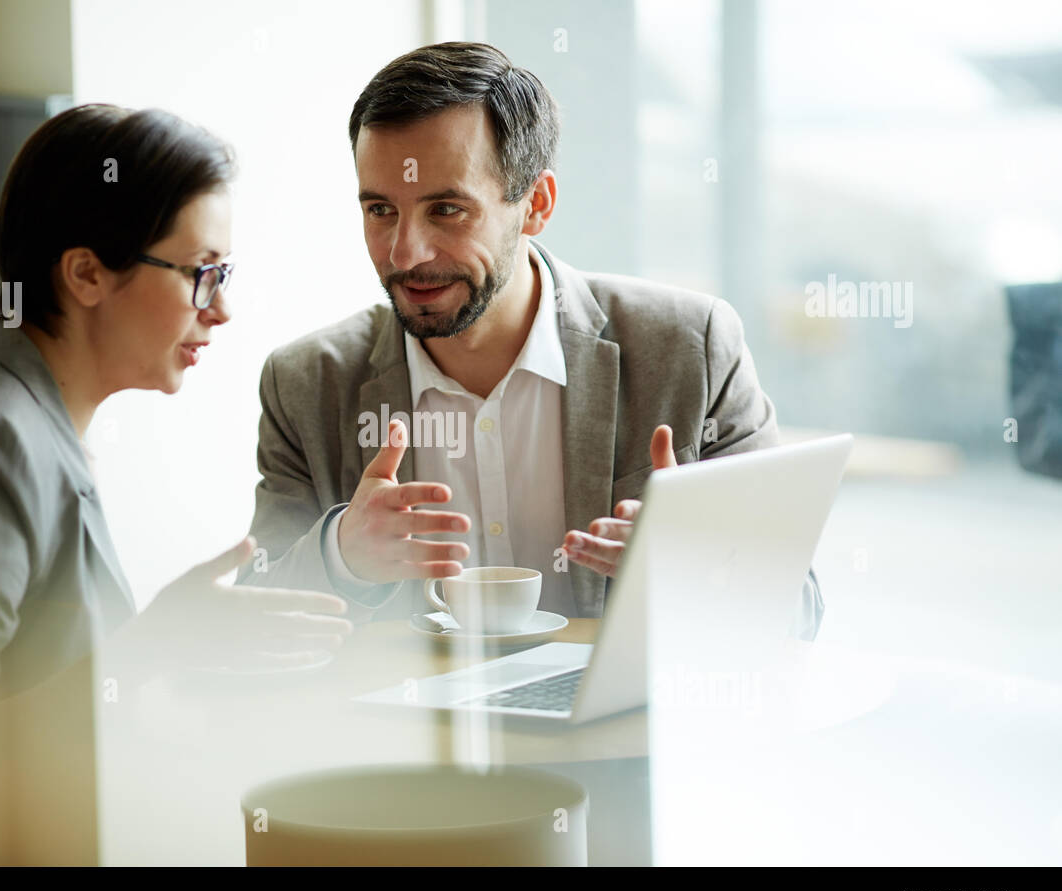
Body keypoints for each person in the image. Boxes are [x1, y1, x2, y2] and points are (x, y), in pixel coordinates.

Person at [239, 42, 823, 636]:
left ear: (536, 204)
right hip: (409, 730)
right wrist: (343, 558)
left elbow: (796, 610)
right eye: (381, 210)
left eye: (446, 209)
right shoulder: (306, 383)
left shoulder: (688, 349)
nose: (405, 253)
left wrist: (704, 573)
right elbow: (253, 625)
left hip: (624, 724)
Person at [0, 104, 350, 697]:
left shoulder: (26, 417)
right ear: (86, 274)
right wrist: (157, 645)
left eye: (224, 274)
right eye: (201, 272)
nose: (220, 308)